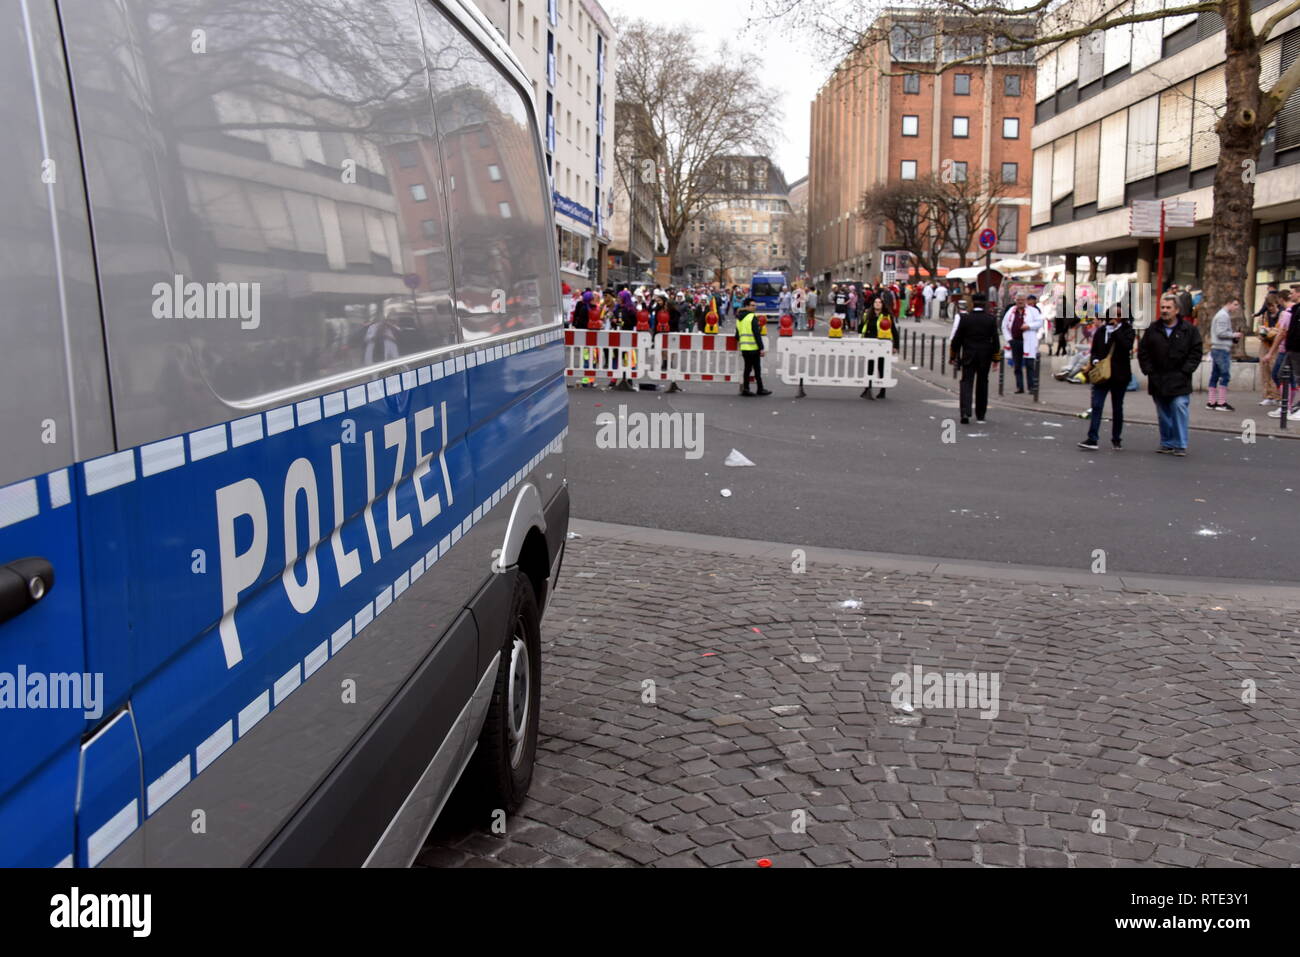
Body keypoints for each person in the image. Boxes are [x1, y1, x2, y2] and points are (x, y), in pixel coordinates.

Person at [1138, 293, 1204, 456]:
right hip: (1158, 378)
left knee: (1179, 407)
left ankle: (1180, 443)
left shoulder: (1189, 330)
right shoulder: (1153, 329)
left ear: (1177, 310)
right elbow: (1143, 351)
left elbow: (1196, 352)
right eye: (1162, 307)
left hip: (1179, 379)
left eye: (1168, 308)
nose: (1165, 310)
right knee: (1163, 412)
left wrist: (1186, 370)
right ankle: (1167, 442)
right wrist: (1148, 370)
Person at [1077, 307, 1135, 451]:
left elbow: (1126, 346)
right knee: (1096, 405)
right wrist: (1096, 360)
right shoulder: (1101, 331)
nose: (1115, 317)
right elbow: (1094, 350)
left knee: (1117, 408)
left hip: (1119, 376)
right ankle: (1092, 438)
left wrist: (1116, 331)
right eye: (1113, 314)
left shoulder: (1127, 331)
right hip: (1101, 375)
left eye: (1119, 315)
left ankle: (1116, 438)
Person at [949, 292, 1000, 425]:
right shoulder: (991, 319)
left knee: (966, 382)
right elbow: (995, 340)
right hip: (985, 356)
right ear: (984, 304)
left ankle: (965, 411)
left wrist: (953, 355)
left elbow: (957, 339)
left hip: (969, 355)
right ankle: (981, 413)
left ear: (972, 303)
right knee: (983, 383)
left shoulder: (965, 319)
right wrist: (996, 359)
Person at [1001, 292, 1044, 394]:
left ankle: (1031, 387)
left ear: (1025, 301)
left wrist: (1029, 326)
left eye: (1022, 300)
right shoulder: (1011, 311)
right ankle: (1020, 387)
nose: (1020, 302)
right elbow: (1004, 325)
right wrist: (1009, 339)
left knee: (1029, 364)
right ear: (1015, 301)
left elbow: (1039, 322)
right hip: (1015, 341)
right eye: (1018, 300)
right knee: (1017, 366)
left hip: (1028, 341)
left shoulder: (1033, 311)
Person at [1207, 296, 1244, 411]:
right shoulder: (1223, 315)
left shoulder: (1221, 315)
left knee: (1215, 375)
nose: (1236, 307)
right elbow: (1220, 333)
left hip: (1217, 348)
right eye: (1235, 304)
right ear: (1229, 303)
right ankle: (1221, 403)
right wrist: (1234, 335)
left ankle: (1211, 401)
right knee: (1225, 375)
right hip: (1221, 349)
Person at [736, 298, 771, 396]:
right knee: (757, 369)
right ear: (746, 306)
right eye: (752, 305)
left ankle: (746, 389)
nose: (754, 307)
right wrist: (761, 348)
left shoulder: (739, 318)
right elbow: (756, 334)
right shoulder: (752, 317)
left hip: (744, 348)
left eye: (755, 305)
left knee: (747, 369)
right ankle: (760, 389)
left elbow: (737, 334)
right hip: (753, 348)